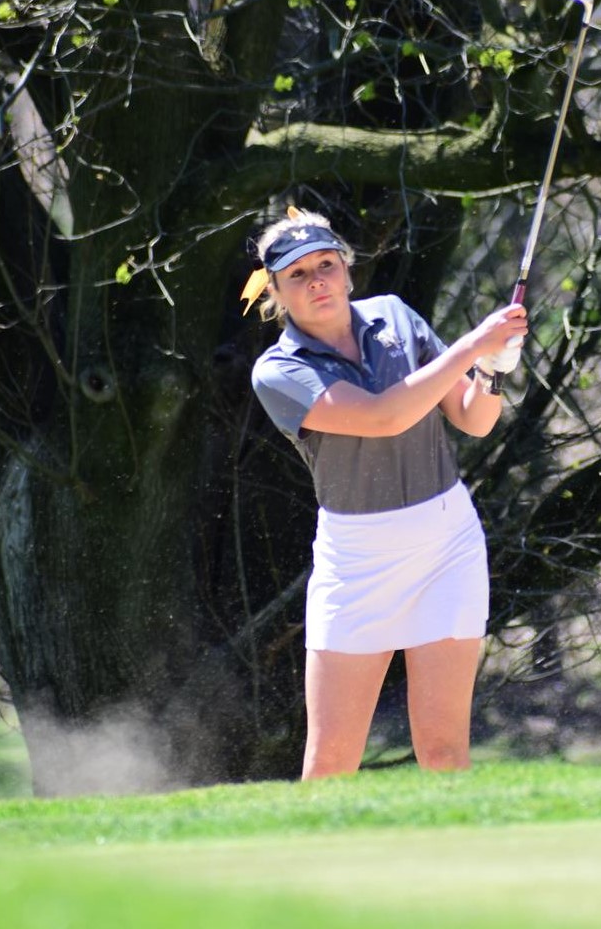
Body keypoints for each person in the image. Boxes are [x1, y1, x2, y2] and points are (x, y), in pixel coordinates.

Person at [244, 208, 527, 780]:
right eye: (297, 274)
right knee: (329, 762)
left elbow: (472, 419)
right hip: (358, 560)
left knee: (445, 753)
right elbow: (381, 417)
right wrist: (473, 346)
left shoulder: (395, 317)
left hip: (447, 543)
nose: (317, 280)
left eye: (327, 264)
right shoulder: (278, 370)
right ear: (275, 290)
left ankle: (457, 868)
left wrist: (494, 369)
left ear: (348, 271)